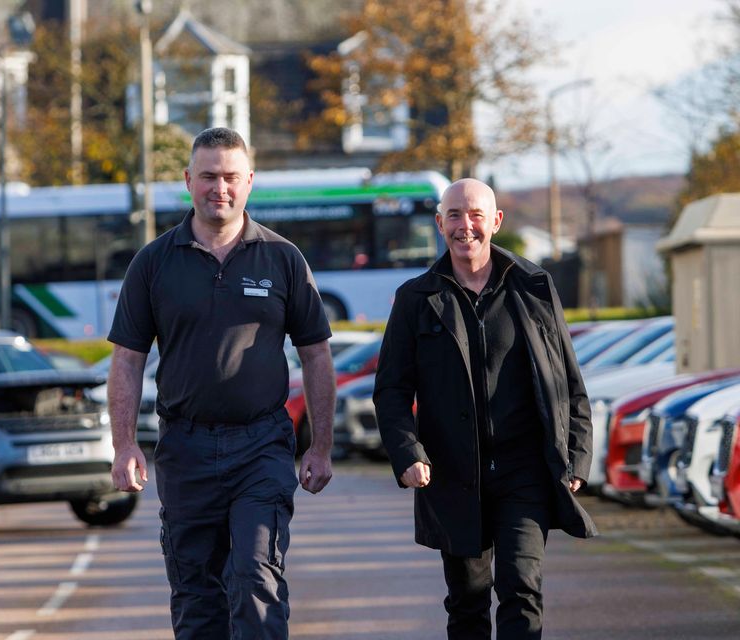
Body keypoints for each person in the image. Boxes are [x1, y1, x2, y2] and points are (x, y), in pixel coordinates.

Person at [107, 127, 336, 639]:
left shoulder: (283, 259)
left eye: (231, 176)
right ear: (188, 180)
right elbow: (126, 361)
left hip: (261, 445)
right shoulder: (153, 262)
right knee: (196, 593)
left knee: (257, 575)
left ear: (250, 181)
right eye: (208, 176)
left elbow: (316, 355)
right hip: (184, 448)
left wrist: (321, 445)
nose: (220, 187)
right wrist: (124, 445)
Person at [373, 178, 597, 639]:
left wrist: (577, 453)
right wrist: (407, 453)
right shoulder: (416, 299)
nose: (465, 226)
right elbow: (391, 390)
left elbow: (568, 379)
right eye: (454, 215)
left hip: (525, 470)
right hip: (453, 474)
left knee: (521, 587)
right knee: (468, 601)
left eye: (476, 214)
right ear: (439, 224)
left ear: (496, 222)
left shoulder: (533, 286)